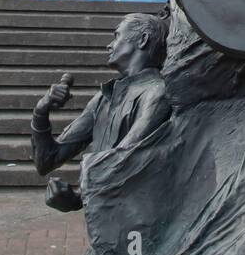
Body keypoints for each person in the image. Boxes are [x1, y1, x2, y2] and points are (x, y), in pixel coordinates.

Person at [31, 12, 170, 211]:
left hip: (140, 218)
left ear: (143, 40)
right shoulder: (105, 97)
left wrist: (79, 198)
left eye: (117, 36)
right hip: (105, 218)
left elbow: (124, 159)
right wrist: (41, 112)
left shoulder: (156, 94)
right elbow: (48, 160)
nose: (109, 45)